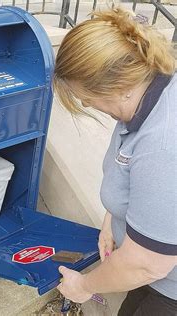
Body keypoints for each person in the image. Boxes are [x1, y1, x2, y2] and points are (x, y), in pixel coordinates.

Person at [53, 6, 176, 315]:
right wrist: (112, 219)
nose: (85, 104)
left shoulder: (162, 146)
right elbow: (129, 179)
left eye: (86, 98)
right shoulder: (141, 102)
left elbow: (146, 264)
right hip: (155, 277)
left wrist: (83, 286)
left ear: (118, 88)